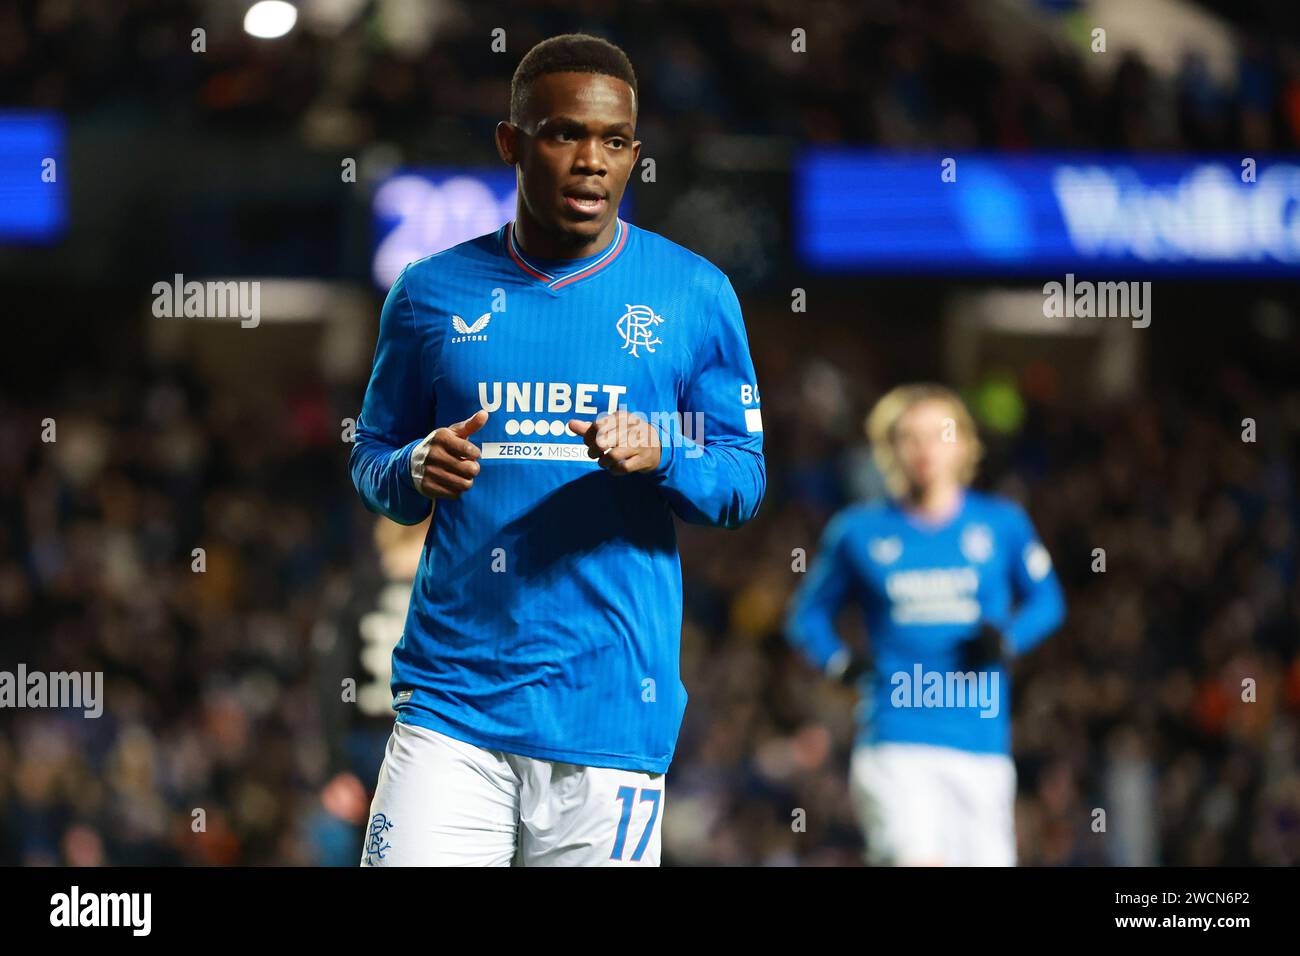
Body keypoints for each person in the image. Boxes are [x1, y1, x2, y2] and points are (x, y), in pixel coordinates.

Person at [349, 33, 765, 866]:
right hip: (452, 705)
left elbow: (743, 479)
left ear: (634, 155)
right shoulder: (429, 292)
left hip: (609, 712)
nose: (590, 162)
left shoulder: (694, 294)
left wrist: (667, 457)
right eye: (563, 133)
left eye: (613, 142)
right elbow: (373, 459)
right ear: (512, 142)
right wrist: (411, 467)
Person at [786, 384, 1064, 865]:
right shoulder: (858, 531)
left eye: (939, 434)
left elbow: (1048, 600)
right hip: (897, 739)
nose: (924, 449)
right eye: (909, 437)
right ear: (888, 448)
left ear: (963, 444)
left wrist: (1009, 641)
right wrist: (839, 664)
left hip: (981, 745)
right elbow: (806, 616)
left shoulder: (1003, 524)